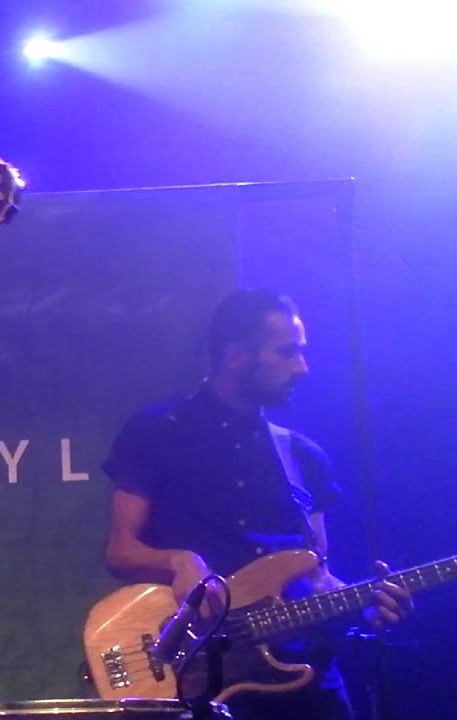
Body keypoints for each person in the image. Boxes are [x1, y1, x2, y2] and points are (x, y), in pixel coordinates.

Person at [101, 289, 411, 720]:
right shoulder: (157, 432)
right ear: (236, 356)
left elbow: (317, 577)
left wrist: (365, 604)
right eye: (287, 352)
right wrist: (178, 560)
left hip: (307, 683)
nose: (302, 367)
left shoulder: (303, 456)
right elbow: (120, 552)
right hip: (200, 682)